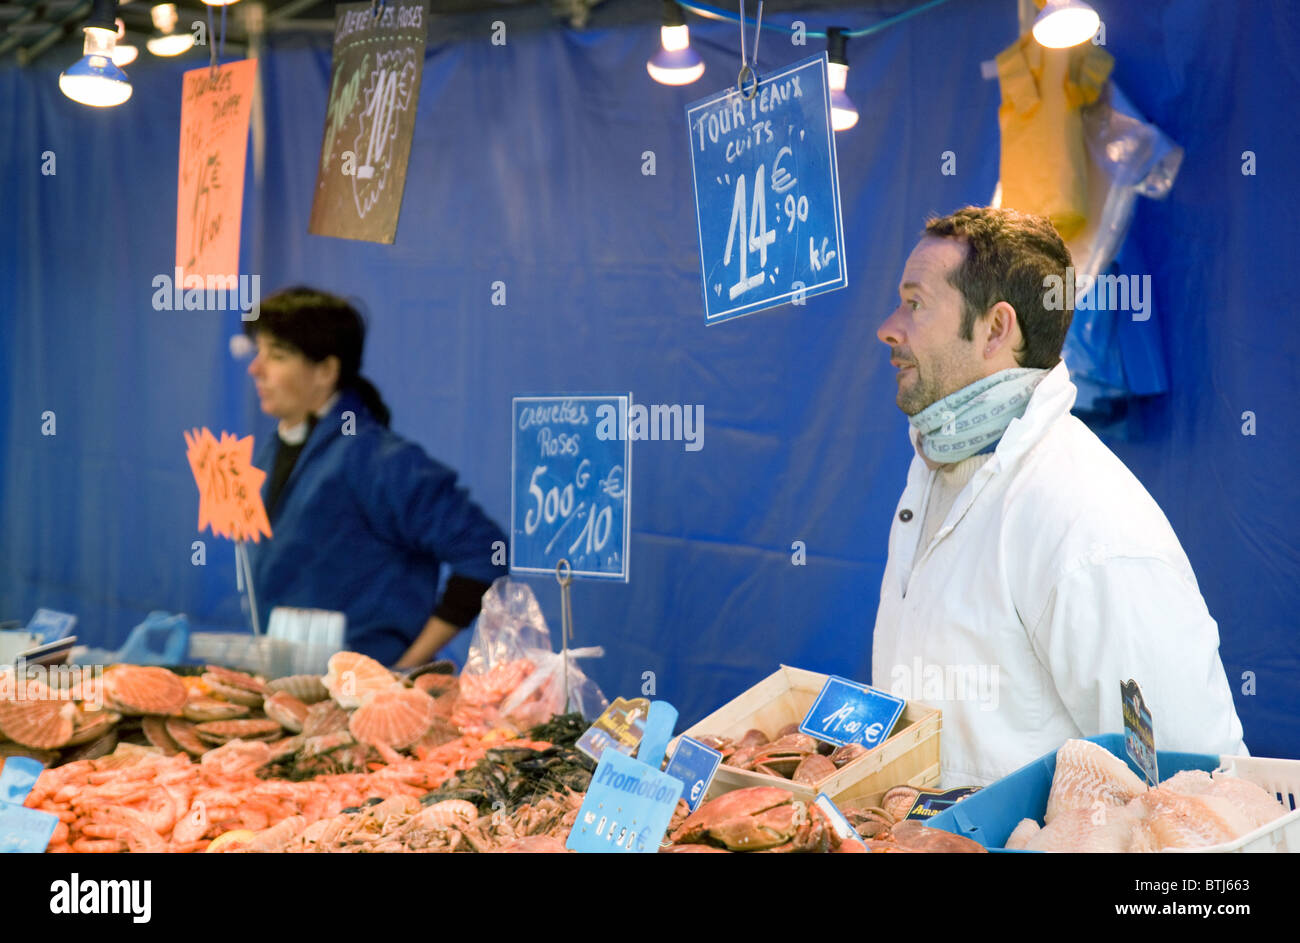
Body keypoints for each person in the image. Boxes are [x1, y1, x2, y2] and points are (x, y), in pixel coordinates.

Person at [872, 207, 1245, 787]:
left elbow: (1192, 786)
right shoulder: (938, 471)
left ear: (996, 329)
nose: (889, 327)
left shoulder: (1086, 517)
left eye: (915, 303)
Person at [243, 287, 507, 667]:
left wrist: (406, 667)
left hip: (368, 698)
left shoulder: (377, 458)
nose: (256, 368)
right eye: (258, 352)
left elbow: (486, 551)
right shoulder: (276, 449)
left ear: (326, 371)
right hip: (294, 686)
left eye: (278, 356)